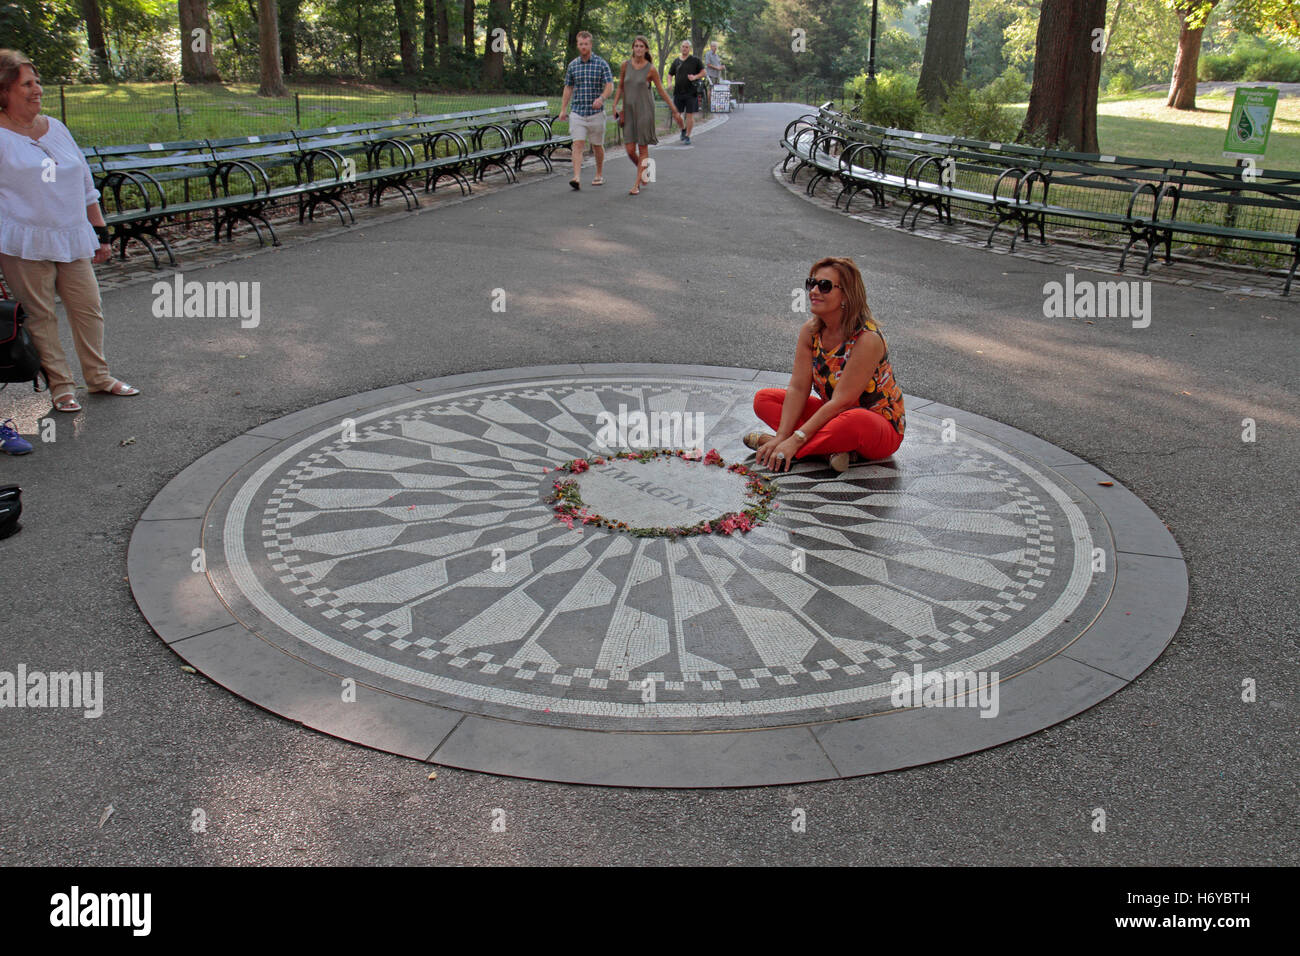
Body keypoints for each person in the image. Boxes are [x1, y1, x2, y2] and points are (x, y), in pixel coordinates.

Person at [0, 49, 138, 414]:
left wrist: (100, 230)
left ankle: (99, 377)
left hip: (71, 234)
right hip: (24, 242)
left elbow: (83, 182)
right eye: (27, 84)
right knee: (41, 316)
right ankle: (61, 388)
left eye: (37, 82)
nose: (37, 90)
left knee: (89, 308)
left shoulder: (56, 128)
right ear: (4, 92)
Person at [746, 257, 905, 474]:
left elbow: (841, 402)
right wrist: (784, 435)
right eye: (811, 283)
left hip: (875, 426)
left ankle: (783, 447)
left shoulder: (867, 339)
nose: (814, 291)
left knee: (854, 419)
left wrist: (796, 439)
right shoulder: (810, 332)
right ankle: (829, 451)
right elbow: (798, 388)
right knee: (764, 399)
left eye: (825, 286)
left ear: (846, 296)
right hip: (833, 417)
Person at [612, 36, 681, 196]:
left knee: (642, 147)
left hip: (645, 111)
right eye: (636, 46)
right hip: (628, 111)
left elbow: (661, 90)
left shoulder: (650, 69)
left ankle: (637, 184)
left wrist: (674, 110)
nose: (638, 49)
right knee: (629, 149)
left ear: (646, 49)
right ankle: (644, 171)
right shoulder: (625, 66)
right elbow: (621, 87)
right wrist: (615, 105)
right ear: (633, 48)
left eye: (641, 46)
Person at [558, 31, 614, 190]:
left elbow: (609, 85)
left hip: (596, 113)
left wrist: (601, 98)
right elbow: (568, 87)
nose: (583, 47)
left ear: (591, 45)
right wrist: (563, 109)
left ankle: (599, 173)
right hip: (577, 112)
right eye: (581, 44)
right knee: (577, 144)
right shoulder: (573, 65)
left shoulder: (601, 63)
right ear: (578, 45)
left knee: (597, 145)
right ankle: (576, 177)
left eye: (586, 44)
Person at [667, 41, 706, 145]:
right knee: (676, 115)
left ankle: (688, 136)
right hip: (678, 92)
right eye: (683, 47)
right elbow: (670, 74)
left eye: (686, 47)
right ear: (681, 48)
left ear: (689, 49)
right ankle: (683, 129)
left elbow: (703, 72)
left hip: (691, 92)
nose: (684, 49)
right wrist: (669, 83)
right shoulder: (676, 62)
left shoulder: (695, 60)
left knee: (689, 115)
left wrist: (695, 77)